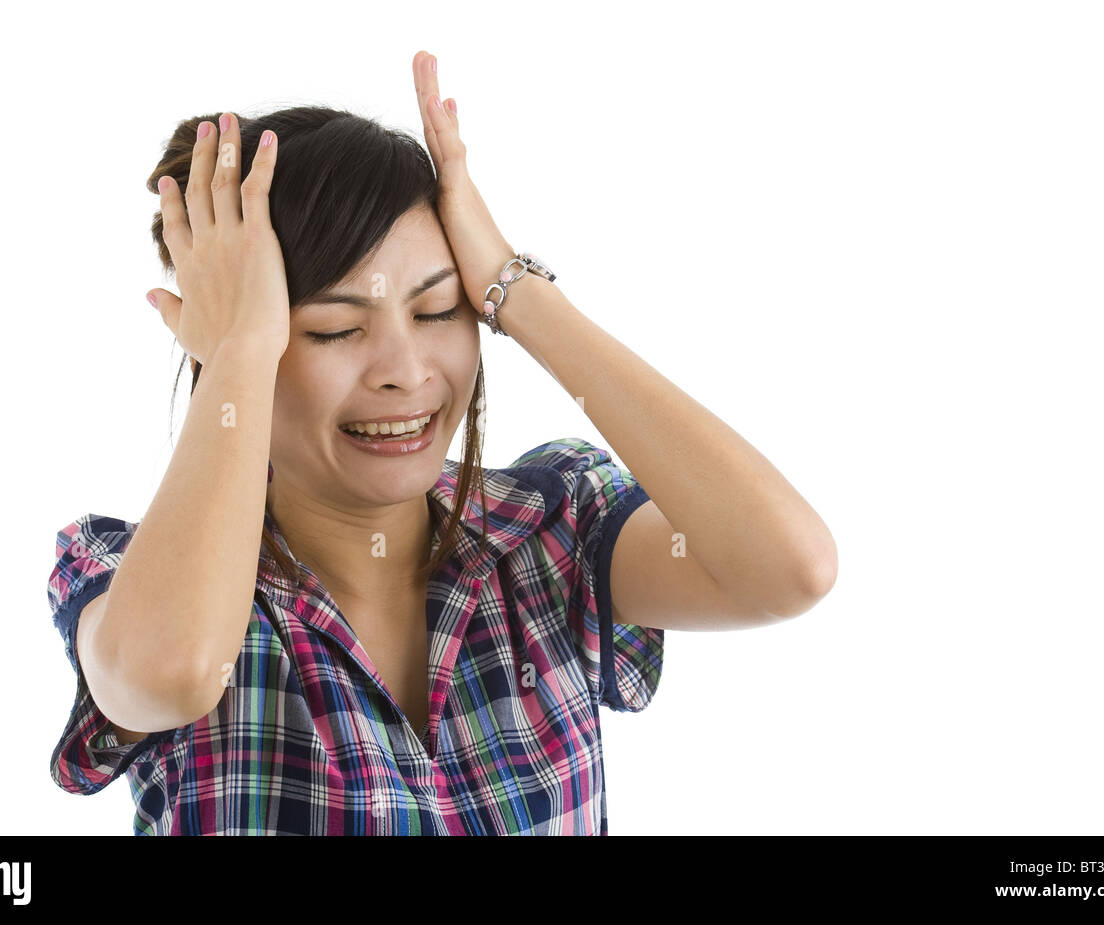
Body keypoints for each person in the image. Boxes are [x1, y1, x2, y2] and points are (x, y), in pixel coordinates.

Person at [46, 51, 837, 835]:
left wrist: (512, 286)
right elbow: (171, 671)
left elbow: (790, 566)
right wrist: (242, 346)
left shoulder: (547, 527)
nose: (406, 371)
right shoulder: (137, 578)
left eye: (437, 312)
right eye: (335, 328)